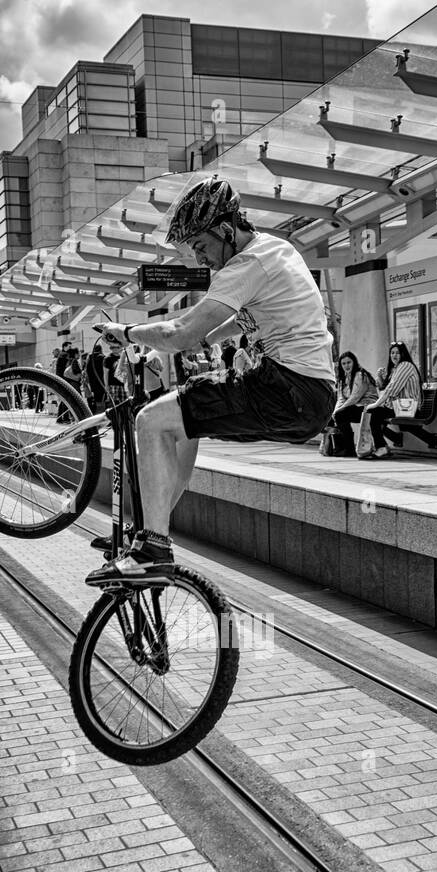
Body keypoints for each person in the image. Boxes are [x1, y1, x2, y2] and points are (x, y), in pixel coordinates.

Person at [92, 175, 335, 578]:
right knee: (184, 424)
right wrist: (179, 347)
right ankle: (149, 531)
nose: (199, 259)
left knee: (150, 420)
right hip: (310, 396)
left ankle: (152, 547)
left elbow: (182, 331)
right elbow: (221, 327)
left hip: (284, 387)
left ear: (226, 228)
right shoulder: (276, 249)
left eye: (201, 246)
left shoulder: (246, 264)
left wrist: (127, 333)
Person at [361, 341, 427, 457]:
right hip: (400, 407)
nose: (394, 355)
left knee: (375, 413)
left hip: (408, 408)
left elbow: (392, 389)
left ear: (403, 354)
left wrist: (376, 404)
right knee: (375, 414)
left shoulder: (405, 365)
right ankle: (381, 446)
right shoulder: (396, 369)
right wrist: (381, 379)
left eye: (397, 353)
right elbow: (386, 389)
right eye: (392, 353)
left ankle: (381, 447)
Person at [326, 351, 376, 456]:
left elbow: (355, 397)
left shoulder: (360, 375)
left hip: (368, 407)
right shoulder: (342, 379)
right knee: (337, 415)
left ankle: (349, 449)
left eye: (349, 362)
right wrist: (335, 412)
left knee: (341, 414)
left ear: (354, 362)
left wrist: (339, 411)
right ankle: (342, 447)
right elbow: (341, 399)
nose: (346, 366)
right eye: (343, 363)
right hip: (354, 407)